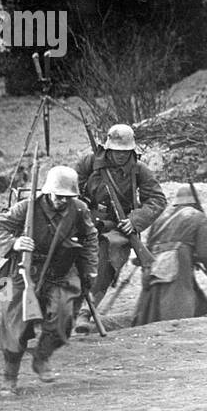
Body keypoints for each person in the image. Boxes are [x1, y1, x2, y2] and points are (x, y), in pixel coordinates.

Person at [0, 165, 99, 396]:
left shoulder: (79, 209)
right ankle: (10, 377)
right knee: (15, 322)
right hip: (25, 270)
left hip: (61, 269)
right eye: (59, 196)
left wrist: (90, 271)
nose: (63, 202)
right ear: (47, 192)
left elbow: (90, 238)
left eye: (68, 197)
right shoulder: (26, 208)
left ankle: (42, 356)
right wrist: (14, 242)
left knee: (64, 317)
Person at [75, 124, 166, 309]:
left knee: (107, 255)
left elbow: (157, 199)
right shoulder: (90, 162)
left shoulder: (139, 170)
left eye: (126, 151)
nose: (121, 155)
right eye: (117, 150)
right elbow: (73, 187)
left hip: (117, 226)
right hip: (86, 219)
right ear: (108, 147)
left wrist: (134, 221)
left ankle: (88, 308)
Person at [132, 185, 207, 325]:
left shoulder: (161, 218)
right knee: (178, 314)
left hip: (155, 268)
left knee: (153, 313)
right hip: (178, 267)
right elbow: (206, 253)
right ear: (194, 201)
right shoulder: (198, 217)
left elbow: (148, 248)